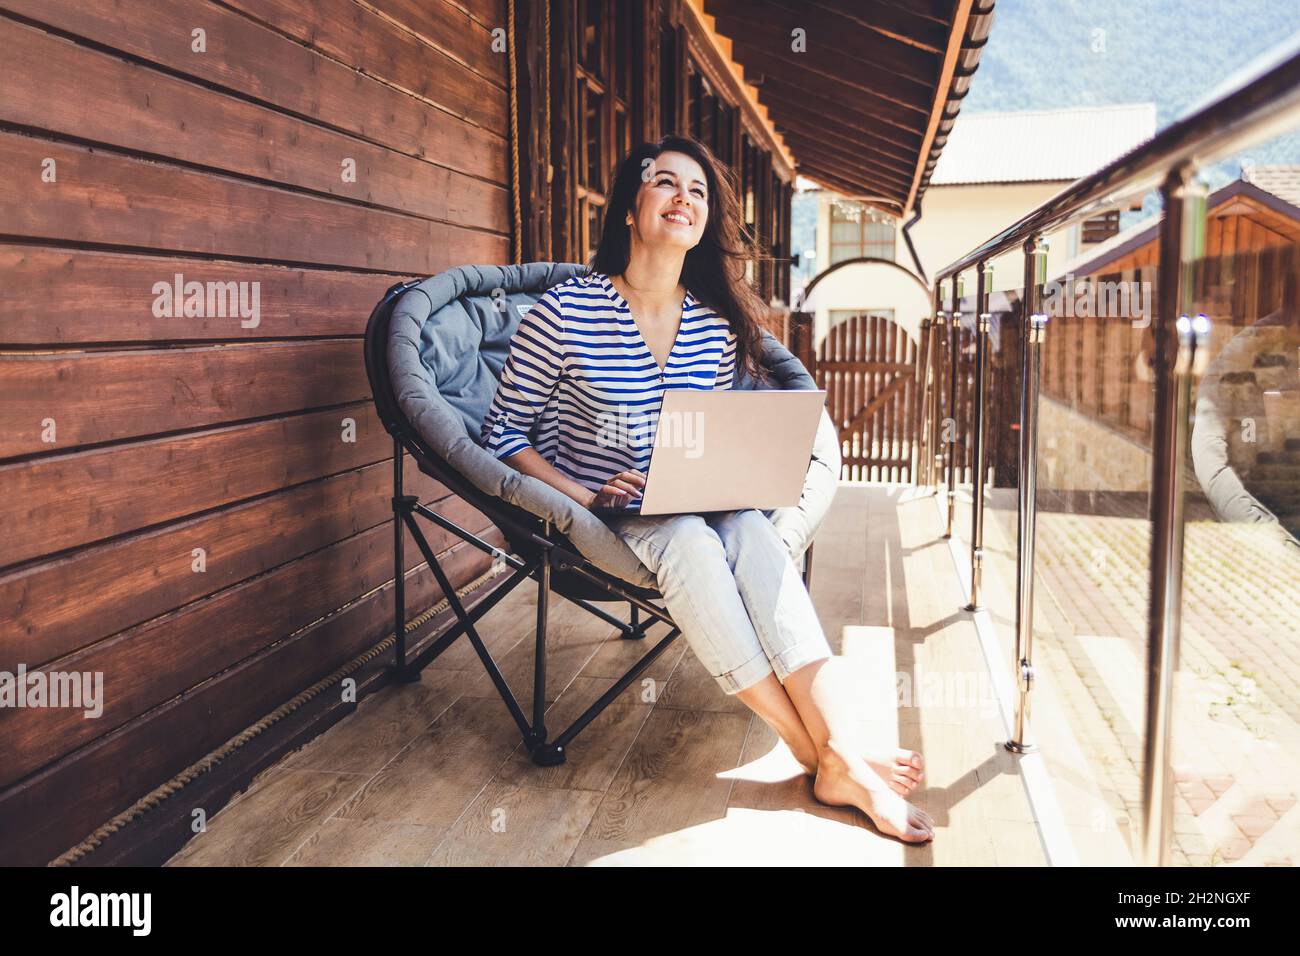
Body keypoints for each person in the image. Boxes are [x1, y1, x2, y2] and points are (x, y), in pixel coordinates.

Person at [480, 134, 932, 844]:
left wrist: (737, 472)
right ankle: (824, 751)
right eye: (666, 182)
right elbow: (502, 434)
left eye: (697, 191)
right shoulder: (565, 312)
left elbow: (712, 430)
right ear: (633, 206)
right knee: (690, 541)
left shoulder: (714, 325)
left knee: (752, 534)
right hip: (607, 513)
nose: (683, 198)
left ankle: (836, 749)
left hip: (696, 494)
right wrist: (583, 491)